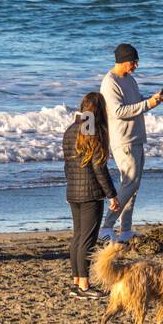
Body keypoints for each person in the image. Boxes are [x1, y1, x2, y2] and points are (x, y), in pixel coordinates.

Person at [99, 43, 163, 242]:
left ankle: (125, 229)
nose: (136, 65)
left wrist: (153, 100)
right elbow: (118, 111)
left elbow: (136, 103)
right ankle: (107, 226)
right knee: (130, 183)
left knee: (133, 186)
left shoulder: (130, 79)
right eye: (133, 62)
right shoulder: (110, 82)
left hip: (137, 137)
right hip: (123, 139)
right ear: (122, 61)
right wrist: (147, 104)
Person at [63, 92, 119, 298]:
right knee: (87, 239)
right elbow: (99, 167)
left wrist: (71, 186)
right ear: (99, 110)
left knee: (78, 237)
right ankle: (84, 286)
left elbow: (67, 165)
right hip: (90, 193)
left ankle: (77, 281)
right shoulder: (92, 130)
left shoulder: (70, 130)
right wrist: (111, 194)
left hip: (73, 191)